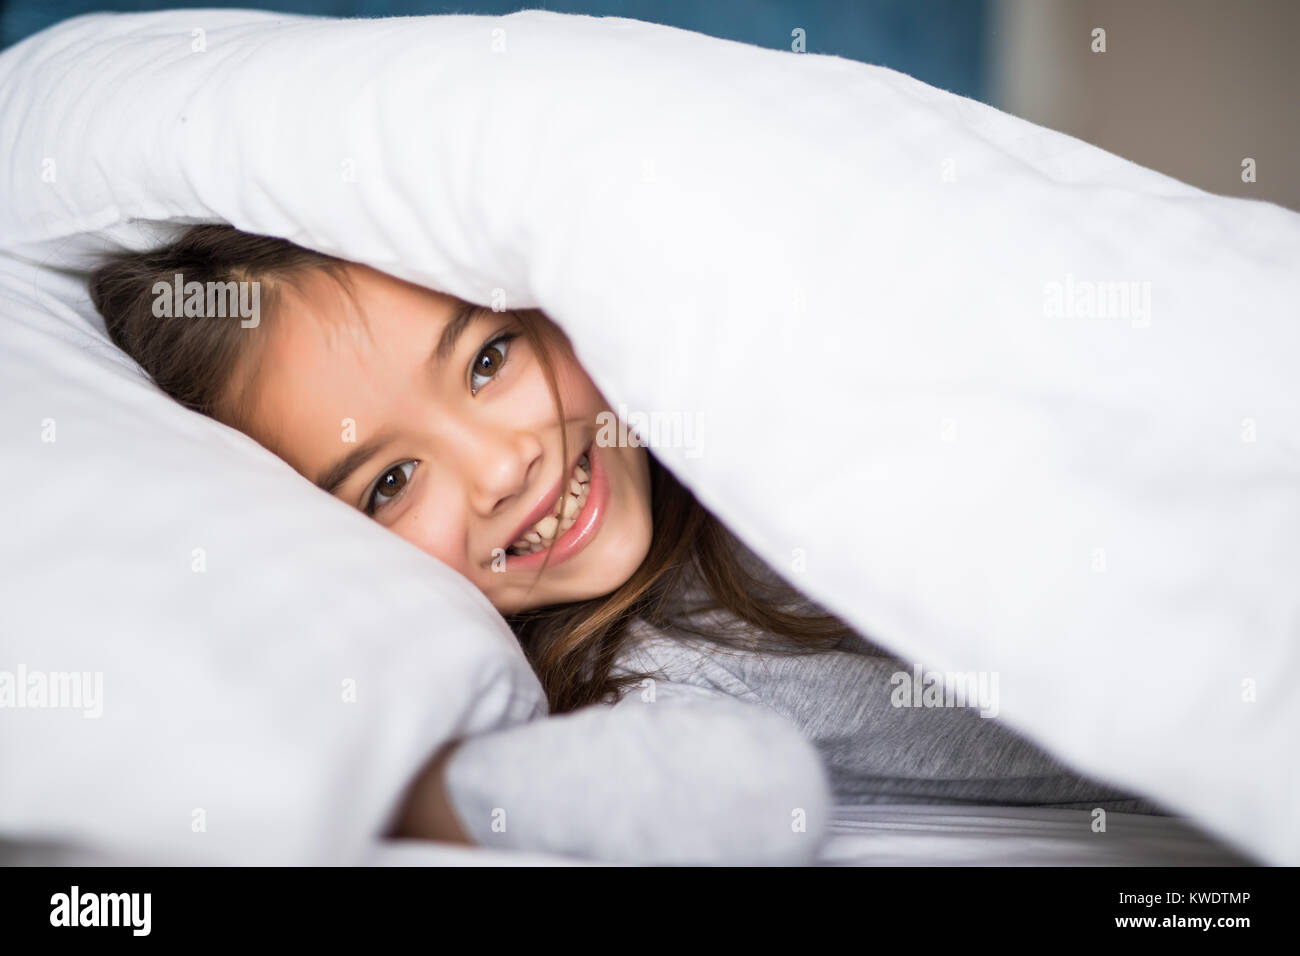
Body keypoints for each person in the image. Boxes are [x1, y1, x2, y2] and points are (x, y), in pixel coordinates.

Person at [88, 224, 1164, 864]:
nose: (503, 464)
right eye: (390, 481)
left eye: (487, 359)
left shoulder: (747, 399)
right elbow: (743, 795)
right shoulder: (643, 664)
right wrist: (406, 786)